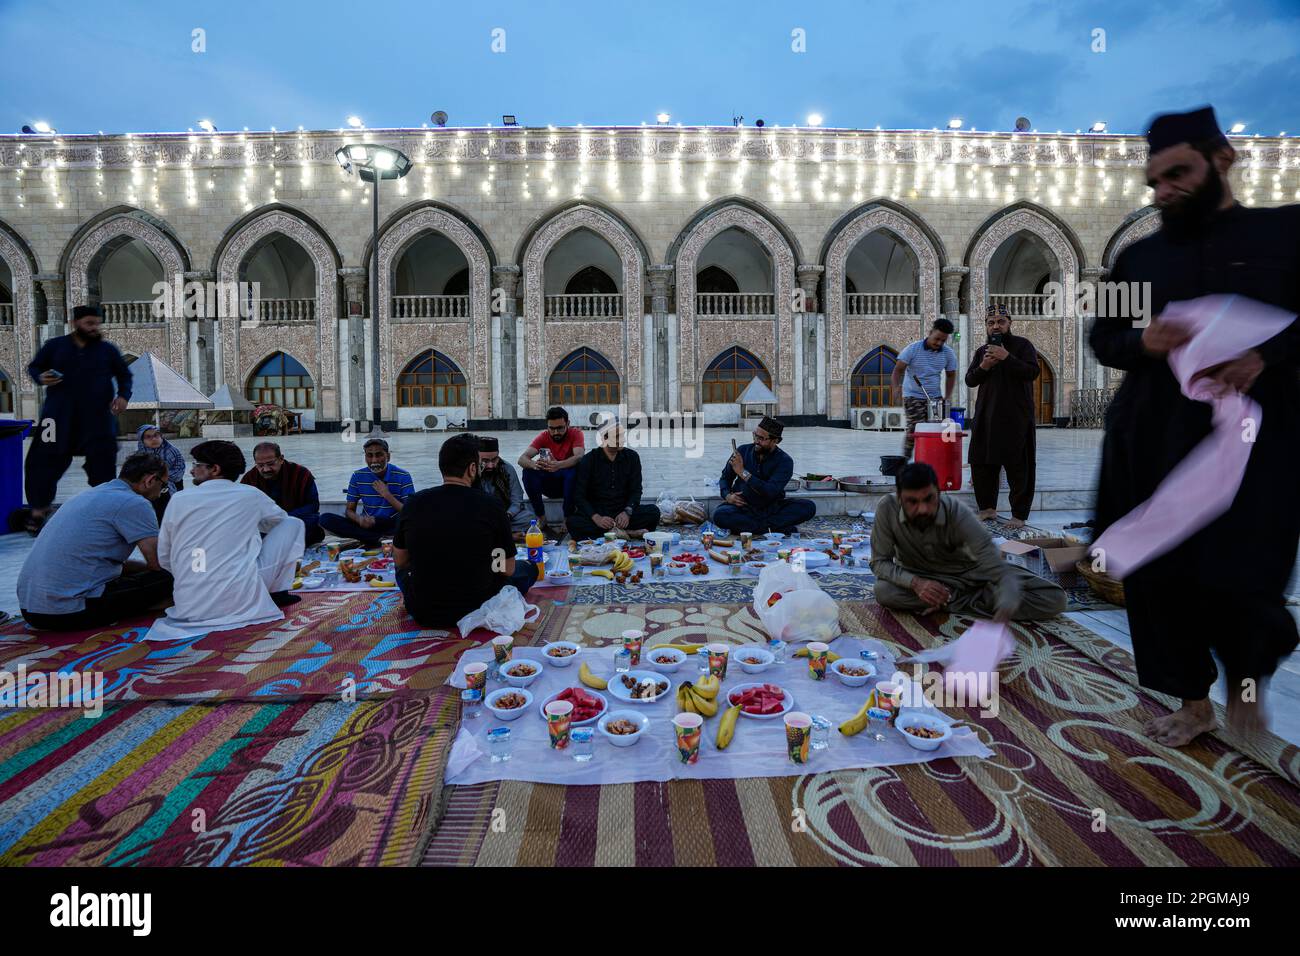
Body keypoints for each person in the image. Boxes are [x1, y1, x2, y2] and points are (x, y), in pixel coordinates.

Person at [1090, 104, 1300, 747]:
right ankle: (1193, 702)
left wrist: (1267, 355)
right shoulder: (1139, 259)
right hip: (1155, 440)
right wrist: (1145, 341)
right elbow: (1104, 337)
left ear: (1222, 159)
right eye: (1154, 182)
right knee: (1161, 578)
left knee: (1245, 576)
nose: (1164, 191)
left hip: (1252, 448)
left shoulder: (1283, 236)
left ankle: (1244, 690)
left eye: (1177, 174)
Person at [145, 440, 305, 642]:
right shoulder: (251, 495)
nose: (192, 472)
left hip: (189, 605)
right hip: (241, 600)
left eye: (196, 465)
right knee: (294, 523)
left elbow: (165, 557)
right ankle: (277, 593)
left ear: (215, 469)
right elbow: (280, 523)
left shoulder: (179, 499)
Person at [870, 462, 1066, 621]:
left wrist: (1005, 605)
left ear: (938, 493)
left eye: (929, 499)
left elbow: (994, 564)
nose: (922, 509)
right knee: (884, 591)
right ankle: (956, 600)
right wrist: (916, 583)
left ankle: (947, 600)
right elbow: (879, 562)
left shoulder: (957, 513)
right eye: (912, 502)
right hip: (919, 575)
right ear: (899, 498)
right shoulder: (887, 509)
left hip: (969, 577)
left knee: (1054, 598)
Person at [394, 433, 540, 628]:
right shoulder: (491, 506)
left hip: (424, 611)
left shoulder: (413, 503)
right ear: (472, 468)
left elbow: (401, 560)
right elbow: (507, 569)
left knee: (403, 573)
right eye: (480, 465)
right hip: (478, 606)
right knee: (528, 569)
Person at [17, 452, 174, 631]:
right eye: (163, 486)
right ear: (150, 480)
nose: (162, 493)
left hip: (31, 610)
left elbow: (94, 559)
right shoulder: (135, 503)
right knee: (173, 577)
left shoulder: (89, 495)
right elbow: (158, 565)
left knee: (145, 577)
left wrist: (141, 569)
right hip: (69, 611)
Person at [24, 305, 132, 534]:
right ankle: (38, 511)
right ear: (75, 323)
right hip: (56, 417)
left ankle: (104, 512)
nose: (94, 328)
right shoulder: (55, 346)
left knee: (103, 462)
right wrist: (40, 377)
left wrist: (123, 396)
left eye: (96, 324)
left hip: (97, 418)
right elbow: (35, 367)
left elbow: (124, 375)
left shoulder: (106, 350)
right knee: (41, 461)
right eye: (89, 324)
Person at [964, 304, 1042, 528]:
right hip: (986, 418)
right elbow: (970, 380)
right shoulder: (982, 351)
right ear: (986, 326)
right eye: (991, 323)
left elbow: (1032, 372)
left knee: (1020, 467)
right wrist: (985, 366)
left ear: (1009, 323)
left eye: (1000, 322)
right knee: (982, 464)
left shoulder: (1023, 346)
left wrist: (1007, 357)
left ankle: (1018, 515)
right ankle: (987, 508)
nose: (996, 326)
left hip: (1016, 419)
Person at [712, 416, 816, 534]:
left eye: (761, 438)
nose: (756, 441)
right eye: (755, 435)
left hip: (771, 507)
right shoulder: (742, 451)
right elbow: (725, 478)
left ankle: (757, 528)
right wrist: (728, 496)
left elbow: (770, 491)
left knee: (808, 507)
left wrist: (743, 473)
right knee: (720, 515)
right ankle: (772, 528)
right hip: (744, 507)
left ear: (775, 440)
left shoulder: (785, 461)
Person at [566, 421, 660, 540]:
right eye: (617, 436)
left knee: (654, 512)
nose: (622, 440)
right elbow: (579, 496)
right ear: (604, 438)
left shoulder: (632, 457)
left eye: (622, 435)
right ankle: (629, 533)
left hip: (622, 513)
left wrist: (627, 512)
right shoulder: (589, 460)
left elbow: (636, 490)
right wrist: (596, 517)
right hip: (599, 513)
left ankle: (614, 532)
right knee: (573, 523)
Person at [319, 438, 415, 546]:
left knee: (413, 520)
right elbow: (349, 511)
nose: (374, 460)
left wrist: (387, 495)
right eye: (370, 456)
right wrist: (360, 519)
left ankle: (370, 538)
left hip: (392, 523)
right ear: (365, 457)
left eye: (379, 455)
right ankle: (378, 539)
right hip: (368, 526)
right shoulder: (358, 476)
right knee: (325, 518)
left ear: (388, 456)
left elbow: (409, 512)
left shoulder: (403, 476)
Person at [892, 318, 958, 458]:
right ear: (930, 332)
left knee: (939, 429)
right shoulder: (912, 349)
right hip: (913, 395)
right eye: (937, 339)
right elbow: (898, 370)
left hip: (935, 397)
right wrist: (896, 387)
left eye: (943, 341)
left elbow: (951, 375)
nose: (939, 343)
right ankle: (905, 460)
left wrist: (947, 397)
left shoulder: (948, 353)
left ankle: (935, 459)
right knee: (916, 427)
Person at [517, 406, 585, 537]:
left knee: (574, 470)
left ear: (568, 424)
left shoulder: (576, 433)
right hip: (550, 484)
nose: (555, 433)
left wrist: (559, 465)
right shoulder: (544, 436)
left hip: (571, 484)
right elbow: (522, 459)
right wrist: (535, 464)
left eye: (560, 428)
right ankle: (541, 517)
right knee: (528, 472)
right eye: (552, 428)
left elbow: (579, 456)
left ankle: (567, 519)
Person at [240, 442, 324, 546]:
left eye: (270, 464)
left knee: (313, 521)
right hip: (266, 526)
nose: (266, 469)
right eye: (260, 465)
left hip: (293, 520)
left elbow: (313, 505)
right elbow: (244, 511)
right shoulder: (250, 478)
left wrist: (283, 518)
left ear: (281, 459)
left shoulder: (301, 473)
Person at [476, 436, 531, 538]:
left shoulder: (507, 469)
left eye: (494, 460)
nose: (491, 465)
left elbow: (517, 500)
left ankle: (494, 533)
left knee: (528, 517)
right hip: (480, 516)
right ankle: (507, 535)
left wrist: (508, 515)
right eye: (485, 461)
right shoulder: (471, 471)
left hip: (505, 515)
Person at [136, 424, 186, 523]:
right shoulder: (139, 456)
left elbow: (178, 472)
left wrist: (158, 478)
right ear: (142, 440)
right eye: (148, 437)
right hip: (148, 491)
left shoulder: (173, 451)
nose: (153, 439)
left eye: (156, 435)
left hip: (172, 488)